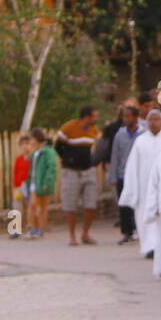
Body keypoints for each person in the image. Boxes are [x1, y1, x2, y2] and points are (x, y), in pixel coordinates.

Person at [118, 110, 161, 269]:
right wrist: (132, 190)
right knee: (144, 217)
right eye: (151, 120)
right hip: (144, 188)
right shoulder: (140, 141)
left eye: (156, 119)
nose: (153, 123)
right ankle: (148, 247)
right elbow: (132, 168)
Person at [55, 105, 101, 246]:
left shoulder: (94, 130)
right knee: (71, 204)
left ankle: (85, 234)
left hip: (88, 170)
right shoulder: (68, 127)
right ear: (86, 117)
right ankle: (72, 236)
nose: (96, 119)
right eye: (94, 116)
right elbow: (57, 146)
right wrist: (66, 158)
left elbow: (94, 147)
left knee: (91, 203)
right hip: (71, 171)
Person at [107, 105, 141, 245]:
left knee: (138, 204)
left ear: (135, 117)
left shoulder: (142, 134)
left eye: (128, 116)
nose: (125, 119)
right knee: (124, 204)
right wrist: (112, 175)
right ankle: (127, 232)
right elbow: (115, 155)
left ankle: (139, 229)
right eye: (124, 116)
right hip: (123, 174)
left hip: (138, 175)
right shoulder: (120, 134)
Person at [28, 128, 57, 239]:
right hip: (34, 183)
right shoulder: (34, 153)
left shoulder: (48, 152)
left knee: (43, 206)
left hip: (42, 182)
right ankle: (35, 228)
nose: (30, 141)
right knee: (33, 205)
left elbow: (51, 167)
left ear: (36, 138)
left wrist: (47, 181)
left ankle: (40, 229)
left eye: (31, 138)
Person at [10, 134, 32, 239]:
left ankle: (31, 227)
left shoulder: (32, 158)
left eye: (27, 144)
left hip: (29, 186)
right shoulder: (18, 159)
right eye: (22, 144)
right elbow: (15, 172)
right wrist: (15, 187)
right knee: (17, 208)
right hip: (19, 187)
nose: (25, 147)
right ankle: (15, 229)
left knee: (30, 207)